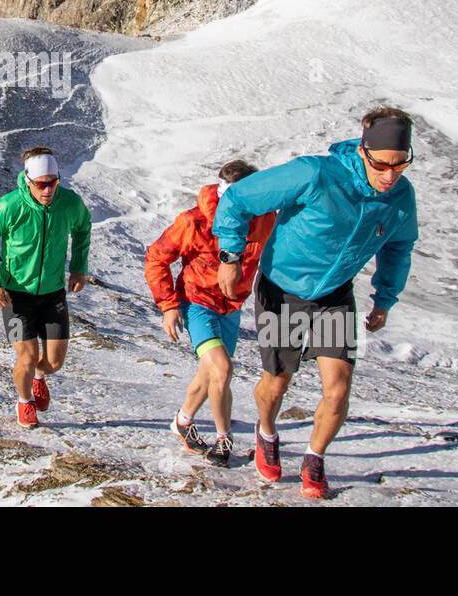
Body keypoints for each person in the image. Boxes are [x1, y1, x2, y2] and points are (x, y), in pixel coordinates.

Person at [212, 107, 420, 499]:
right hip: (282, 291)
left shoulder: (400, 197)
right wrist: (231, 256)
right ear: (363, 150)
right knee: (276, 382)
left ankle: (314, 458)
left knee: (338, 388)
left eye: (400, 164)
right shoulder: (315, 173)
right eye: (381, 163)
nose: (390, 174)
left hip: (334, 296)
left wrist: (385, 298)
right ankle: (267, 432)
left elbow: (398, 247)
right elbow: (238, 199)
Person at [144, 160, 276, 466]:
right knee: (222, 369)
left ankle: (183, 420)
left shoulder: (266, 219)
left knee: (212, 374)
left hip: (231, 308)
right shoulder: (195, 221)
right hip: (197, 301)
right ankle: (223, 439)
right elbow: (156, 257)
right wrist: (168, 305)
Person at [0, 146, 92, 429]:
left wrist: (78, 267)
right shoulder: (9, 206)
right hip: (16, 297)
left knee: (53, 362)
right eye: (42, 184)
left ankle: (40, 379)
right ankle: (25, 402)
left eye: (53, 182)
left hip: (52, 294)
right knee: (27, 356)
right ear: (28, 181)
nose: (48, 190)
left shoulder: (70, 203)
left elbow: (83, 228)